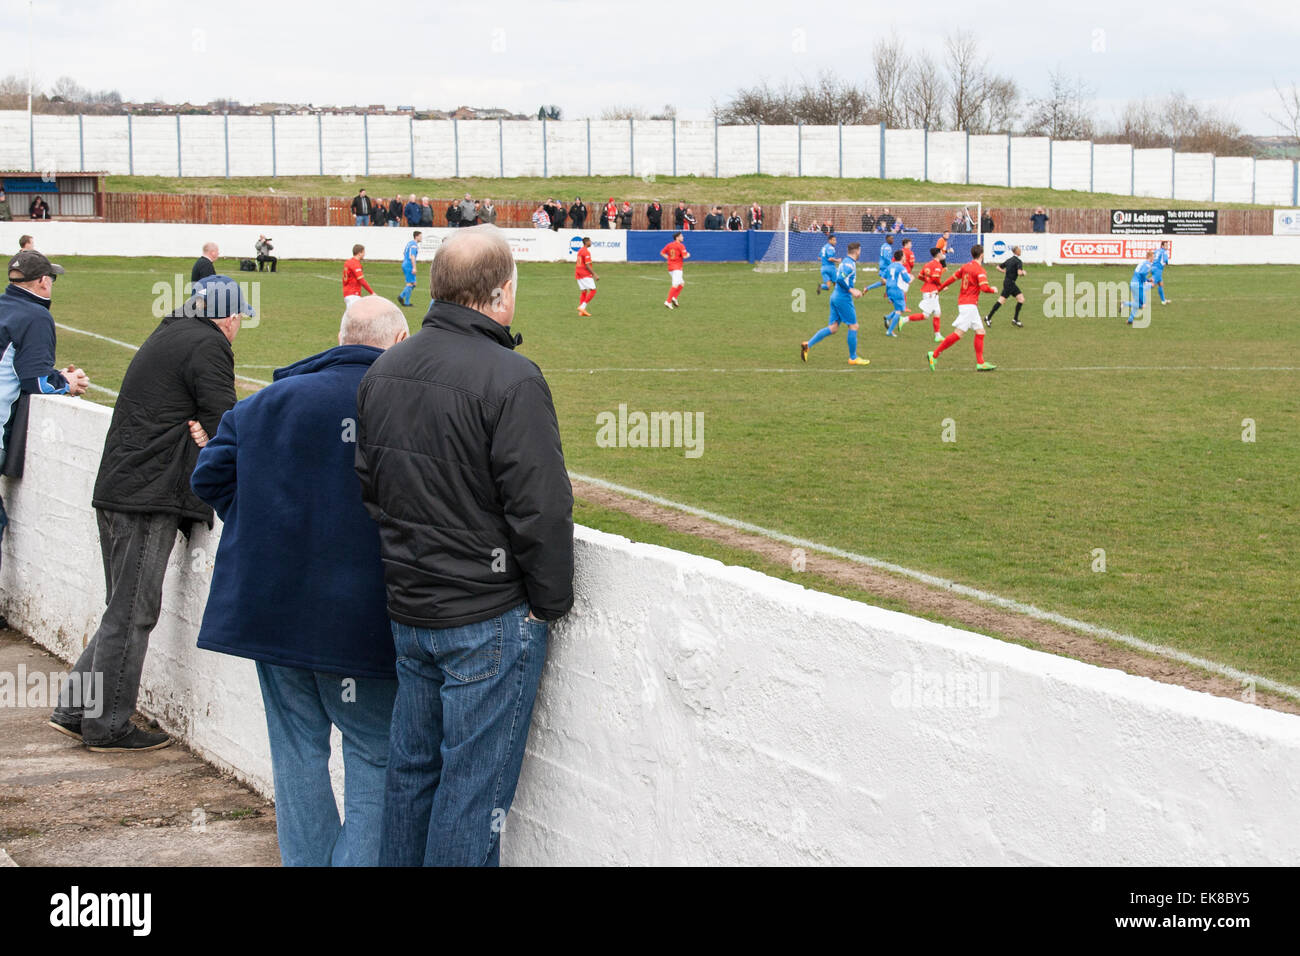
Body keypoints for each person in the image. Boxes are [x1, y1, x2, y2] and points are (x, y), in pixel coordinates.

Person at [354, 226, 574, 867]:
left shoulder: (384, 368)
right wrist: (548, 603)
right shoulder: (512, 377)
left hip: (413, 610)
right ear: (501, 293)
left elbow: (372, 488)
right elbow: (541, 506)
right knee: (471, 794)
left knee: (412, 773)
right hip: (484, 616)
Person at [191, 296, 408, 867]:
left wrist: (266, 528)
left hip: (275, 612)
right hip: (358, 620)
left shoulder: (269, 400)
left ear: (342, 338)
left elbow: (209, 475)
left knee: (296, 752)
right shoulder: (402, 403)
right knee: (374, 754)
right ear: (399, 341)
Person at [49, 275, 250, 751]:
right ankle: (107, 726)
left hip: (120, 487)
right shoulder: (209, 343)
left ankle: (75, 710)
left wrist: (204, 431)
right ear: (228, 317)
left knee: (121, 608)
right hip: (147, 495)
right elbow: (226, 420)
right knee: (132, 612)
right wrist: (210, 436)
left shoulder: (170, 331)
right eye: (240, 318)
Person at [1, 251, 91, 601]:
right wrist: (67, 382)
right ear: (42, 281)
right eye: (51, 279)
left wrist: (57, 376)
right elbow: (36, 382)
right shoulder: (36, 316)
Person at [800, 241, 869, 367]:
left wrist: (854, 289)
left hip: (835, 296)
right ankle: (853, 358)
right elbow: (840, 279)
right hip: (843, 298)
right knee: (854, 326)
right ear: (857, 251)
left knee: (833, 328)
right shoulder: (850, 265)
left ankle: (807, 345)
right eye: (860, 250)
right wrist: (851, 290)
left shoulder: (845, 261)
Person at [929, 244, 998, 371]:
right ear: (982, 255)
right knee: (958, 333)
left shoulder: (965, 266)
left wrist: (939, 288)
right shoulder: (980, 270)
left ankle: (980, 363)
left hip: (965, 303)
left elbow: (952, 279)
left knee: (980, 331)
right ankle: (934, 354)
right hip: (969, 305)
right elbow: (984, 288)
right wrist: (993, 290)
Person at [901, 247, 948, 343]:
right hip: (931, 292)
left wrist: (928, 281)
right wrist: (941, 286)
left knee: (937, 312)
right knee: (926, 315)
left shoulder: (927, 264)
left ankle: (938, 335)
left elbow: (920, 276)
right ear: (938, 254)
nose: (943, 255)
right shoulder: (938, 265)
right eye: (941, 253)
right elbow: (935, 279)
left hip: (928, 290)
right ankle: (904, 319)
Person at [985, 246, 1026, 328]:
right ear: (1016, 251)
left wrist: (1003, 271)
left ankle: (1015, 319)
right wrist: (1023, 273)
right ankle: (988, 317)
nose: (1020, 251)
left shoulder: (1009, 260)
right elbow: (1019, 273)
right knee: (1001, 301)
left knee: (1021, 299)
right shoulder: (1018, 261)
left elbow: (998, 267)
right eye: (1019, 250)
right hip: (1010, 284)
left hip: (1009, 283)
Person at [879, 250, 914, 337]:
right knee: (899, 310)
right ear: (902, 257)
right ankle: (889, 331)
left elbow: (883, 278)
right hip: (897, 290)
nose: (905, 257)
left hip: (889, 289)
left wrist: (889, 284)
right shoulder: (901, 268)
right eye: (904, 256)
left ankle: (888, 317)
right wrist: (912, 278)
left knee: (900, 308)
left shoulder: (890, 266)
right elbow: (908, 280)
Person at [1121, 250, 1156, 326]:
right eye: (1153, 257)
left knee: (1137, 303)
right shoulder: (1147, 264)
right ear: (1149, 257)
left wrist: (1148, 280)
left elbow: (1139, 274)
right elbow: (1142, 273)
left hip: (1133, 284)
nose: (1154, 258)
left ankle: (1130, 320)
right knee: (1141, 305)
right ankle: (1125, 303)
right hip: (1137, 285)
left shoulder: (1143, 263)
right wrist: (1145, 281)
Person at [342, 244, 374, 318]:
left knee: (350, 316)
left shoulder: (348, 262)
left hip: (347, 293)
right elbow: (361, 280)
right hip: (353, 294)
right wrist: (372, 292)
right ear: (359, 253)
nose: (364, 254)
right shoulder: (355, 264)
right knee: (355, 316)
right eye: (363, 252)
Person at [660, 231, 689, 309]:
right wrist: (688, 254)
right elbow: (685, 256)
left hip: (670, 267)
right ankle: (668, 301)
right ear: (677, 238)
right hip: (677, 268)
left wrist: (668, 258)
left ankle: (674, 298)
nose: (683, 237)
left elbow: (662, 253)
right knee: (675, 284)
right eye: (681, 236)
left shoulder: (669, 245)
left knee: (682, 283)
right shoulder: (681, 246)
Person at [575, 236, 599, 316]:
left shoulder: (580, 250)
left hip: (578, 273)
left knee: (584, 291)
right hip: (584, 273)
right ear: (586, 242)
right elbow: (587, 265)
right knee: (593, 290)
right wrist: (594, 274)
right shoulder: (586, 252)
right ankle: (582, 307)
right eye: (590, 241)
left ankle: (581, 312)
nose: (591, 242)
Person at [399, 231, 421, 307]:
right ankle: (404, 300)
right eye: (420, 236)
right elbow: (412, 256)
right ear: (416, 236)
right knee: (410, 284)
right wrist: (414, 267)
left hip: (405, 263)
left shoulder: (410, 243)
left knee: (414, 284)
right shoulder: (414, 245)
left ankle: (403, 298)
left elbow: (404, 253)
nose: (421, 238)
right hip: (409, 265)